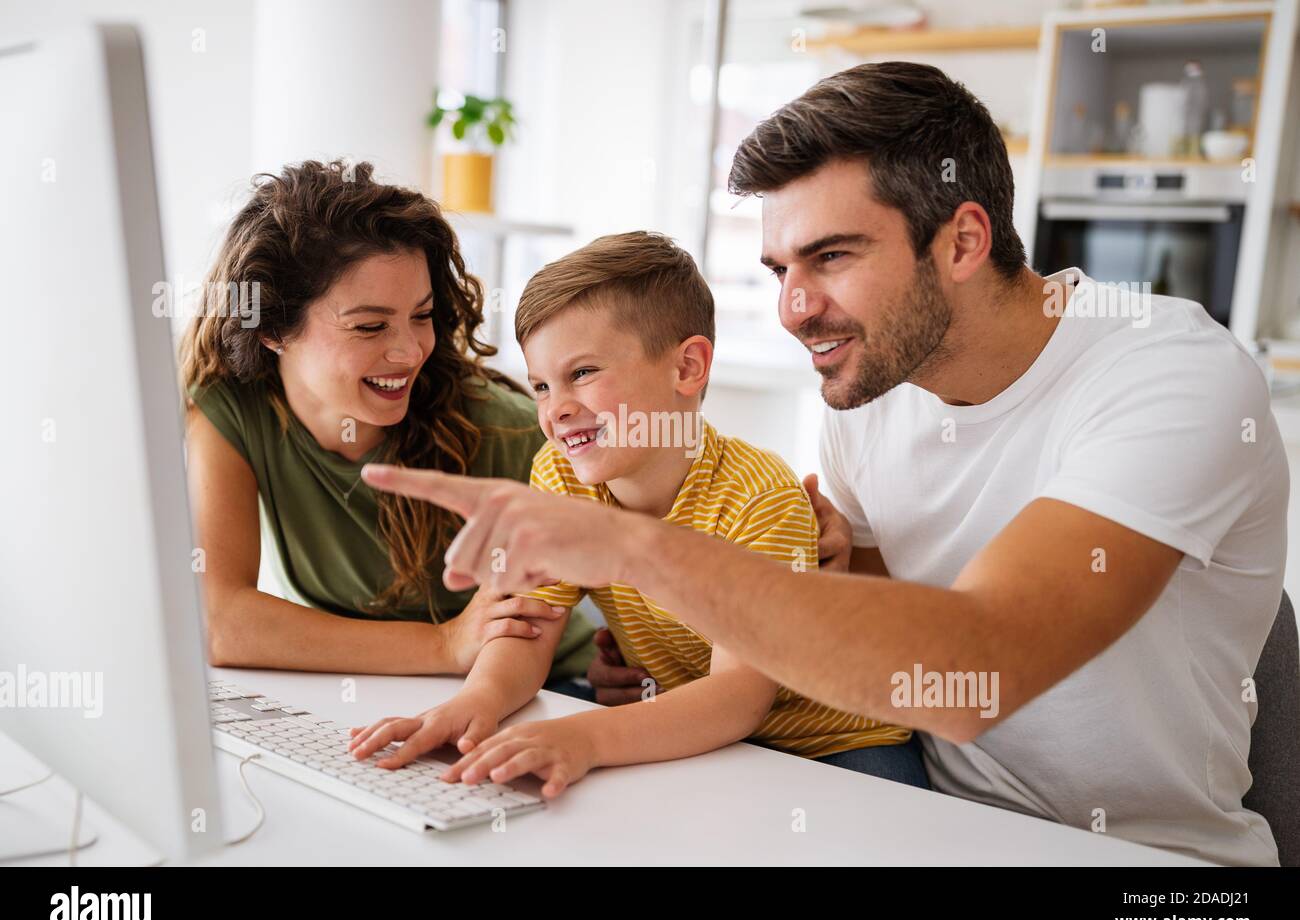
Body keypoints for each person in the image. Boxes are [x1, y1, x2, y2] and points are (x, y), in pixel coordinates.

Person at [360, 64, 1287, 866]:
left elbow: (975, 672)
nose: (796, 308)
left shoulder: (1168, 376)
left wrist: (633, 550)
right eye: (776, 270)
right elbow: (869, 625)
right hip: (919, 815)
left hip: (1153, 872)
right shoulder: (870, 393)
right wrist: (682, 654)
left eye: (832, 257)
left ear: (962, 240)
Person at [349, 232, 927, 793]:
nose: (558, 411)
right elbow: (528, 628)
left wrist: (584, 740)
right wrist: (473, 706)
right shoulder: (559, 475)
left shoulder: (759, 498)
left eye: (582, 373)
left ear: (687, 368)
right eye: (542, 386)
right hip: (695, 735)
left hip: (835, 746)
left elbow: (738, 699)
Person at [181, 159, 595, 688]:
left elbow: (637, 561)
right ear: (272, 329)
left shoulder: (507, 431)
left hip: (555, 691)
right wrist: (444, 643)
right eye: (370, 326)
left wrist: (634, 657)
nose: (409, 351)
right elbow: (219, 623)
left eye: (421, 316)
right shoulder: (231, 407)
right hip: (387, 689)